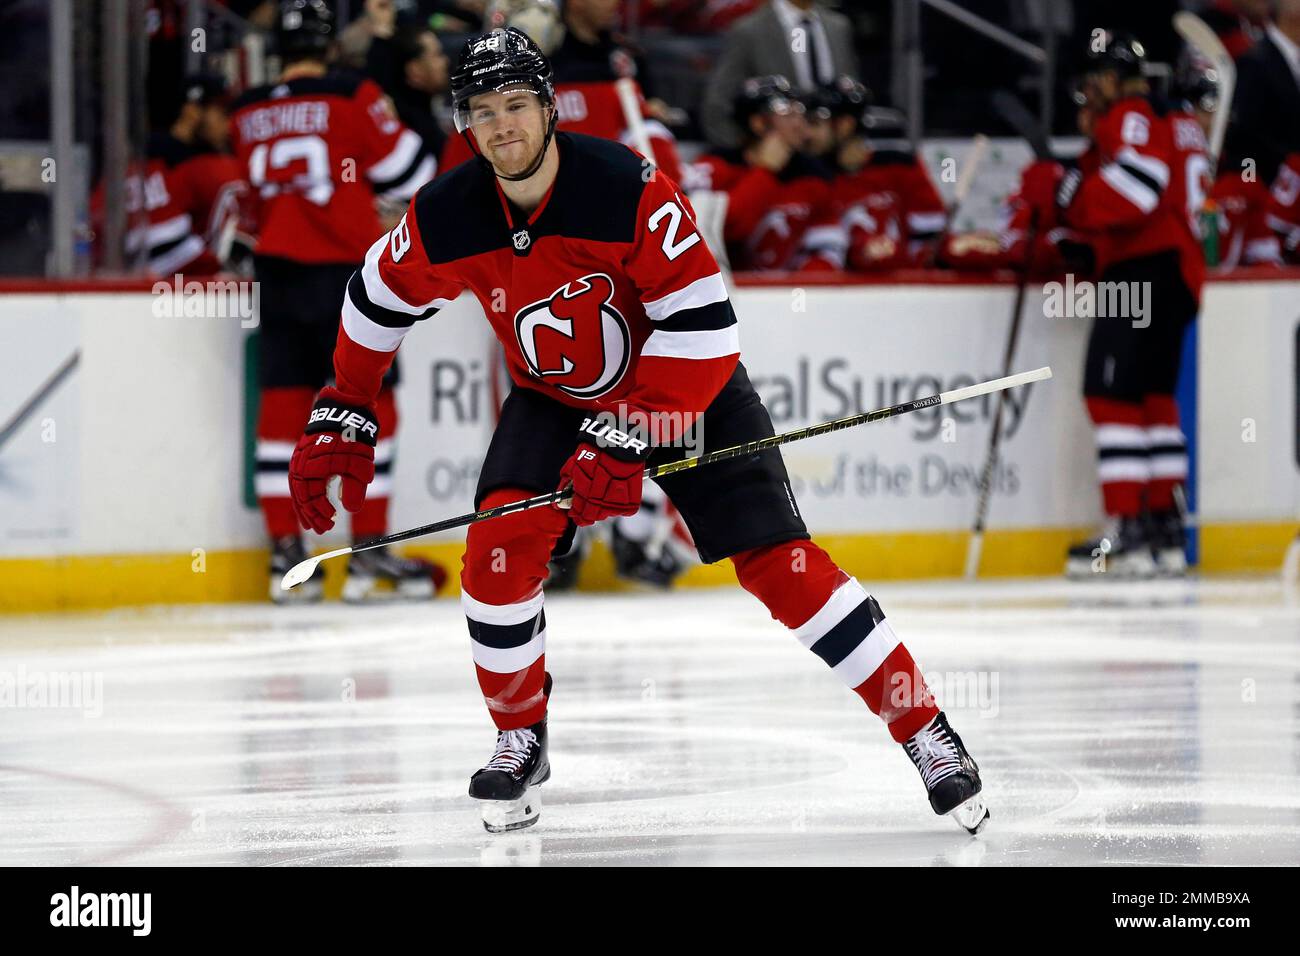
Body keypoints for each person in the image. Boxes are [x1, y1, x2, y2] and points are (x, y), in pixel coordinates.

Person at [285, 27, 989, 836]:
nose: (502, 126)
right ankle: (520, 737)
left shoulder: (625, 188)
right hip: (555, 400)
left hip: (688, 388)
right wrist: (346, 399)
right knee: (497, 556)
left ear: (548, 108)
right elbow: (376, 296)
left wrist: (629, 431)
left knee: (782, 569)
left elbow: (706, 327)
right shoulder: (447, 212)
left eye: (517, 105)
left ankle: (926, 730)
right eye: (482, 112)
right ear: (463, 125)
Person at [230, 0, 443, 602]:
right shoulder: (354, 96)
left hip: (277, 275)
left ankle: (286, 562)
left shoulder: (246, 112)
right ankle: (370, 558)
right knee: (373, 404)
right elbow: (411, 170)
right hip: (346, 279)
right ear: (328, 46)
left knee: (282, 410)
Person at [1058, 32, 1208, 578]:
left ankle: (1125, 530)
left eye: (1092, 80)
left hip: (1144, 269)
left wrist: (1075, 196)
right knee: (1153, 400)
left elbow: (1138, 191)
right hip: (1180, 272)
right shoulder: (1180, 118)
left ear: (1111, 78)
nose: (1088, 93)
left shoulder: (1130, 114)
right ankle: (1164, 529)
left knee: (1109, 393)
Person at [93, 74, 249, 276]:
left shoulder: (206, 162)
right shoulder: (147, 165)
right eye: (221, 113)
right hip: (162, 293)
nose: (228, 125)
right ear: (192, 111)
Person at [687, 75, 834, 271]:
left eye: (801, 114)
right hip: (728, 290)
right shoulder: (714, 167)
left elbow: (828, 248)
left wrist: (799, 288)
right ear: (758, 123)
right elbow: (729, 229)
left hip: (789, 293)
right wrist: (764, 173)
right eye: (789, 114)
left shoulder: (813, 174)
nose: (801, 125)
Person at [798, 77, 946, 272]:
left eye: (815, 123)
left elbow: (928, 243)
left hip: (898, 288)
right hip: (837, 293)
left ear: (845, 125)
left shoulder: (898, 165)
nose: (806, 134)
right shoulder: (807, 175)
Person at [701, 0, 860, 148]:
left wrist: (850, 139)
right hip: (777, 163)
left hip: (835, 158)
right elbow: (718, 105)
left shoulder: (839, 27)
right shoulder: (749, 30)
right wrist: (748, 151)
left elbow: (850, 91)